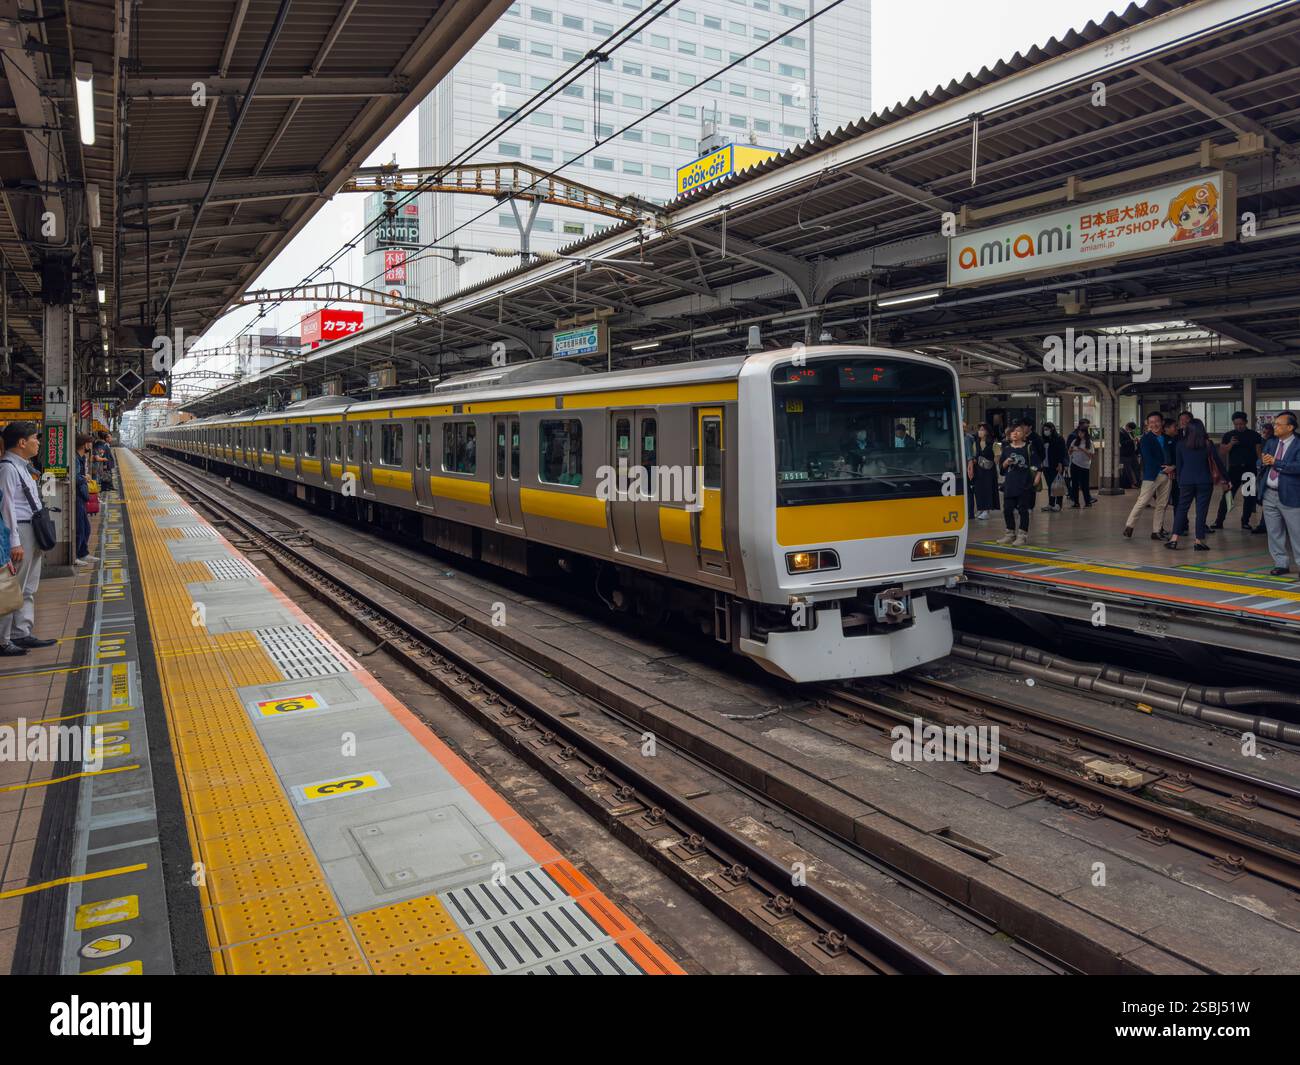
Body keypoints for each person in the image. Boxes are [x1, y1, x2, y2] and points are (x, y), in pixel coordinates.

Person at [0, 422, 56, 652]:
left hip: (31, 530)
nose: (38, 442)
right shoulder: (7, 469)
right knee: (12, 588)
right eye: (35, 438)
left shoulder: (23, 466)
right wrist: (14, 541)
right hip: (20, 531)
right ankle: (3, 640)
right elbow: (6, 508)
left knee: (29, 587)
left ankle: (21, 632)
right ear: (22, 442)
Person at [1166, 418, 1229, 551]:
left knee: (1181, 510)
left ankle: (1174, 539)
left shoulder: (1180, 444)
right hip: (1205, 481)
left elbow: (1179, 464)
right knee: (1201, 511)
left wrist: (1179, 481)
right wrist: (1227, 479)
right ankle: (1198, 541)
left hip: (1186, 481)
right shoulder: (1208, 444)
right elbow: (1218, 463)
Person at [1259, 411, 1300, 576]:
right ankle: (1281, 563)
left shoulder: (1298, 444)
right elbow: (1261, 461)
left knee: (1297, 532)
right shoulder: (1271, 442)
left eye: (1278, 425)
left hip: (1291, 495)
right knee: (1274, 532)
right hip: (1269, 492)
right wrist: (1262, 462)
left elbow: (1298, 467)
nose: (1273, 427)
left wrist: (1277, 462)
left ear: (1290, 427)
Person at [1124, 413, 1174, 541]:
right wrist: (1165, 468)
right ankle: (1129, 526)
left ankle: (1156, 531)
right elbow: (1148, 458)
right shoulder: (1146, 439)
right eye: (1151, 422)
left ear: (1162, 422)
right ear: (1147, 424)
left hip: (1168, 475)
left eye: (1157, 421)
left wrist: (1173, 467)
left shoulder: (1167, 438)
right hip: (1152, 475)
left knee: (1162, 505)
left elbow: (1173, 456)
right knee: (1142, 501)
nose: (1154, 424)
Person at [1211, 412, 1263, 530]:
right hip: (1234, 469)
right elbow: (1223, 452)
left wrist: (1261, 466)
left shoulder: (1254, 435)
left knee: (1249, 497)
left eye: (1241, 424)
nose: (1239, 426)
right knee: (1228, 495)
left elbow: (1258, 452)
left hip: (1249, 469)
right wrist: (1231, 444)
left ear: (1246, 422)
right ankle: (1219, 521)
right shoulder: (1229, 435)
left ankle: (1245, 521)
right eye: (1236, 424)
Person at [996, 423, 1038, 546]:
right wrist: (1005, 463)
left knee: (1023, 510)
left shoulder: (1028, 448)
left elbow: (1037, 465)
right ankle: (1009, 534)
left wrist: (1036, 478)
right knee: (1007, 510)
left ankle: (1022, 535)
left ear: (1024, 435)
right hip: (1010, 484)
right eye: (1012, 431)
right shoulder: (1007, 449)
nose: (1015, 433)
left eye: (1018, 431)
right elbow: (1002, 470)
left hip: (1024, 484)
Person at [74, 434, 98, 566]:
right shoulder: (76, 459)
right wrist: (85, 478)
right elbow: (74, 477)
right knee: (80, 528)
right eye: (90, 443)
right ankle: (76, 556)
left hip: (81, 496)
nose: (91, 445)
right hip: (77, 496)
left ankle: (83, 553)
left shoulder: (82, 458)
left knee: (85, 527)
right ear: (84, 444)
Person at [969, 423, 998, 520]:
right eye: (979, 430)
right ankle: (981, 508)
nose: (980, 432)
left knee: (988, 489)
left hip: (989, 471)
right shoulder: (975, 443)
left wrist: (994, 460)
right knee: (978, 490)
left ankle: (987, 510)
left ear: (987, 432)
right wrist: (974, 461)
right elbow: (973, 455)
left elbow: (997, 457)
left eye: (982, 430)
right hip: (978, 470)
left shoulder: (993, 443)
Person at [1039, 422, 1067, 512]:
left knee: (1057, 485)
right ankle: (1051, 504)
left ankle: (1058, 504)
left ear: (1052, 429)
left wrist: (1060, 464)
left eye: (1047, 429)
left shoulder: (1059, 439)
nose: (1045, 431)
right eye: (1044, 429)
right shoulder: (1043, 440)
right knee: (1050, 485)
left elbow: (1062, 453)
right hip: (1046, 465)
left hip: (1056, 465)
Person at [1066, 424, 1095, 507]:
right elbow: (1069, 452)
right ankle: (1076, 502)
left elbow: (1091, 456)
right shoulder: (1075, 441)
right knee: (1075, 484)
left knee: (1085, 484)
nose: (1080, 434)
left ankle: (1087, 502)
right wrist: (1071, 450)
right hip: (1075, 464)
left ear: (1085, 433)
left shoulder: (1089, 443)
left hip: (1085, 466)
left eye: (1082, 433)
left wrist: (1082, 449)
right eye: (1079, 433)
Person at [1119, 422, 1139, 488]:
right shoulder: (1121, 432)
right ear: (1127, 426)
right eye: (1130, 429)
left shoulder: (1130, 432)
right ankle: (1131, 484)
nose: (1131, 430)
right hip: (1125, 454)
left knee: (1136, 467)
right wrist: (1132, 440)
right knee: (1128, 470)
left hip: (1132, 453)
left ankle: (1137, 482)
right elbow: (1122, 443)